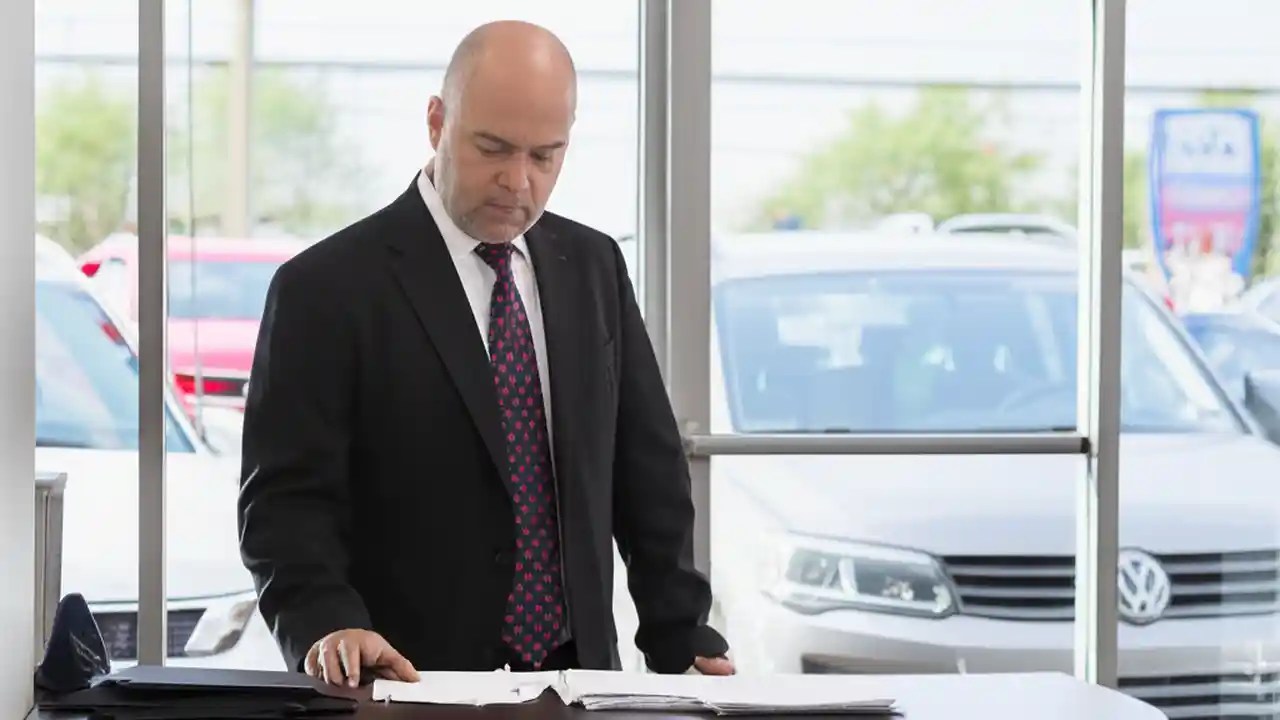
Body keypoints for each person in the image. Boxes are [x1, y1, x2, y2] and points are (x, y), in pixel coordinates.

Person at [237, 20, 733, 687]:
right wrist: (325, 621)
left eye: (544, 157)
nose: (517, 181)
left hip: (578, 680)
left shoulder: (593, 266)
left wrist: (679, 628)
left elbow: (646, 467)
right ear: (437, 122)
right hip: (406, 681)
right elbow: (286, 503)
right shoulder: (325, 288)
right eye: (493, 148)